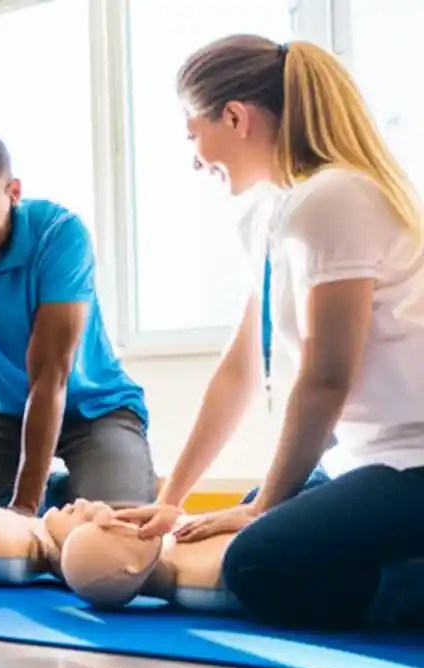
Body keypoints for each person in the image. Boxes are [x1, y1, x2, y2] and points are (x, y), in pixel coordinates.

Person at [115, 35, 424, 630]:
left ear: (235, 117)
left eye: (192, 135)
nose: (194, 158)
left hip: (413, 465)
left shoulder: (335, 197)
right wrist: (170, 498)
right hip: (367, 462)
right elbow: (238, 370)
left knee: (257, 563)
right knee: (223, 534)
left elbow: (326, 378)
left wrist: (265, 507)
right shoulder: (270, 217)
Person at [0, 129, 156, 522]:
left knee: (110, 532)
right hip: (2, 415)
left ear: (13, 193)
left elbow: (50, 373)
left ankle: (66, 488)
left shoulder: (61, 234)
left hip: (95, 408)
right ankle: (56, 490)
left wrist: (25, 508)